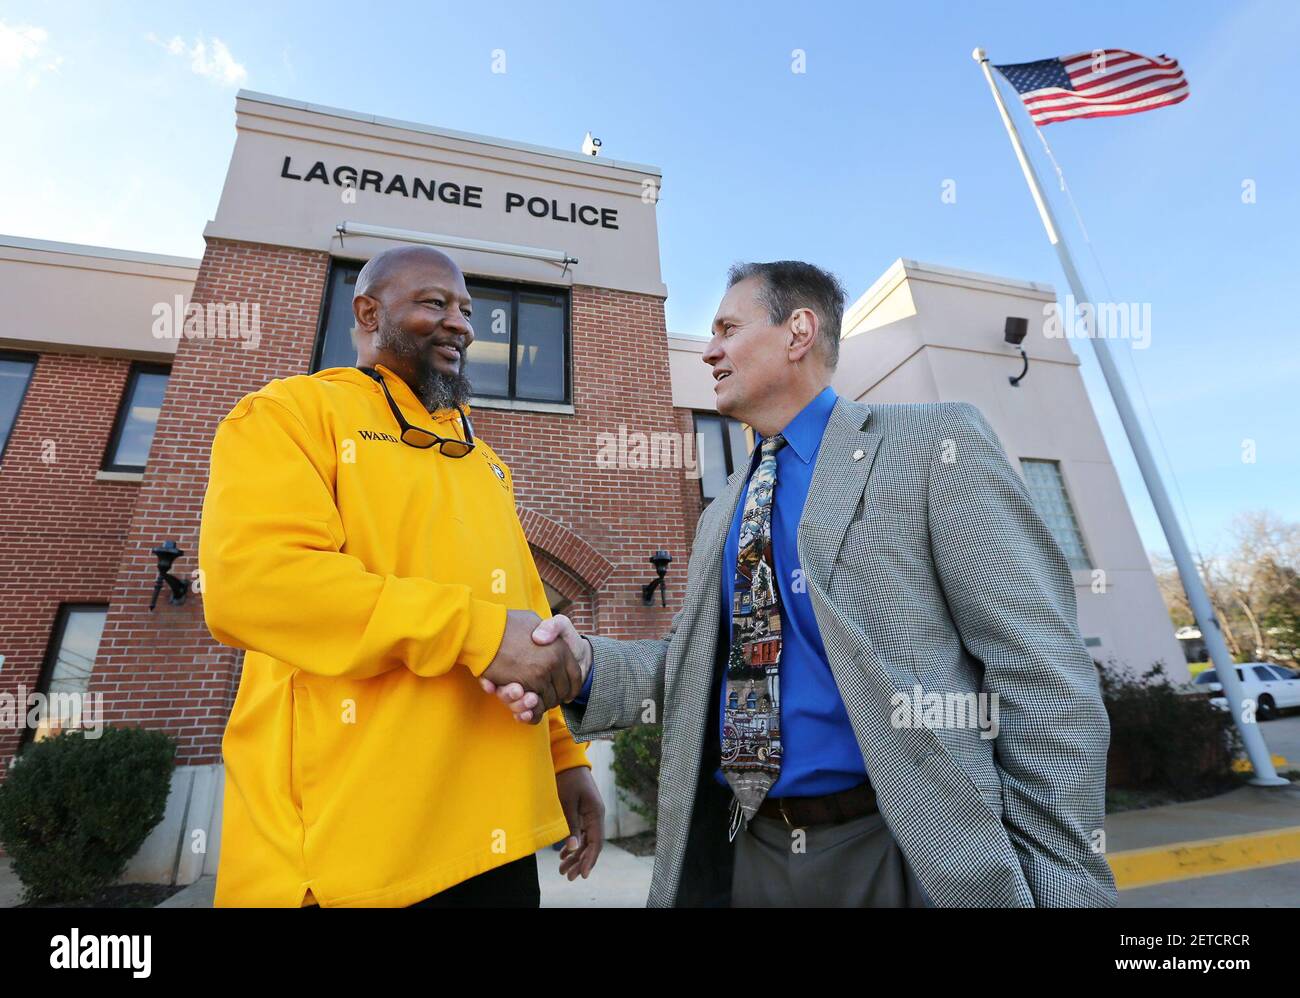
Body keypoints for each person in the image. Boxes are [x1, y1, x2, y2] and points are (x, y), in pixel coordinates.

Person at [486, 260, 1118, 908]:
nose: (708, 351)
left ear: (798, 333)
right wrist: (580, 662)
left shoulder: (931, 447)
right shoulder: (722, 515)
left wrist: (1063, 889)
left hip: (904, 851)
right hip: (752, 855)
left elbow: (1041, 675)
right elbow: (690, 669)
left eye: (727, 328)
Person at [199, 245, 602, 907]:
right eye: (434, 303)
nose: (462, 325)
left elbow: (527, 625)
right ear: (368, 311)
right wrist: (474, 631)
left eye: (467, 311)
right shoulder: (289, 414)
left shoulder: (485, 465)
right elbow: (254, 583)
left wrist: (564, 758)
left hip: (496, 846)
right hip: (352, 867)